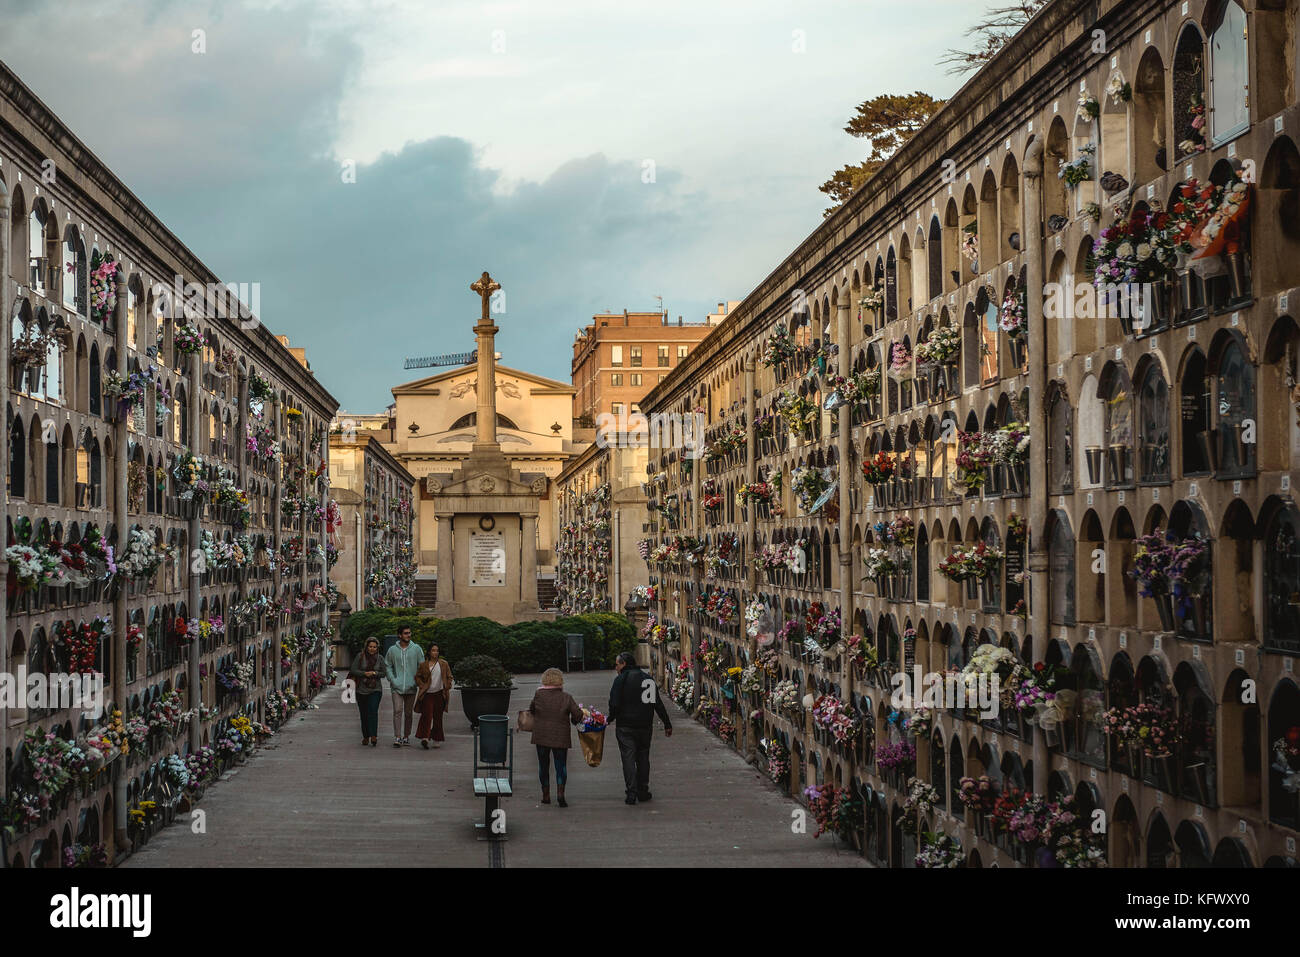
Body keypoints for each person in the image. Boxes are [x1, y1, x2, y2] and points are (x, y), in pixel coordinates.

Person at [607, 651, 672, 805]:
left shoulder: (620, 680)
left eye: (617, 664)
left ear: (623, 664)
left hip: (625, 727)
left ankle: (631, 792)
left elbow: (614, 704)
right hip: (644, 725)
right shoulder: (648, 680)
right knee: (643, 758)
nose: (616, 667)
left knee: (628, 758)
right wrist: (667, 723)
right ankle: (643, 790)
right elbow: (657, 703)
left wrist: (609, 719)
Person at [527, 668, 583, 807]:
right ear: (560, 681)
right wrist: (574, 722)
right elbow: (578, 714)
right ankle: (560, 794)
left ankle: (546, 796)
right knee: (561, 766)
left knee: (543, 766)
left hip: (541, 736)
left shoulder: (538, 695)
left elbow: (532, 710)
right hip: (560, 736)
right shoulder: (566, 697)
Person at [384, 625, 424, 746]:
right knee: (397, 710)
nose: (408, 635)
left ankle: (406, 736)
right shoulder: (392, 650)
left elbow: (421, 667)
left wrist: (416, 681)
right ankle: (397, 737)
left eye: (409, 633)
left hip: (411, 687)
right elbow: (387, 665)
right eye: (406, 633)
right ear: (400, 635)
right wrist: (392, 680)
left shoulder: (416, 649)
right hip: (396, 687)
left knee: (408, 713)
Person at [349, 637, 387, 746]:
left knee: (373, 711)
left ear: (377, 648)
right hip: (361, 689)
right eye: (370, 646)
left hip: (375, 689)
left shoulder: (380, 658)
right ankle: (366, 736)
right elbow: (353, 670)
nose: (372, 649)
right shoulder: (360, 656)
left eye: (374, 647)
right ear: (366, 647)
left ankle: (374, 735)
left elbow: (384, 673)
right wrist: (364, 673)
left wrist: (374, 673)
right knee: (364, 713)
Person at [414, 644, 453, 749]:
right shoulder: (424, 665)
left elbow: (449, 676)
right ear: (429, 652)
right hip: (427, 694)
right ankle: (425, 738)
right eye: (433, 650)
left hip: (440, 693)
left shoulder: (443, 664)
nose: (435, 652)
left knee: (438, 717)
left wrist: (448, 685)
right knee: (427, 715)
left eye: (437, 650)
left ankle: (437, 738)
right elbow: (417, 677)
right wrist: (422, 685)